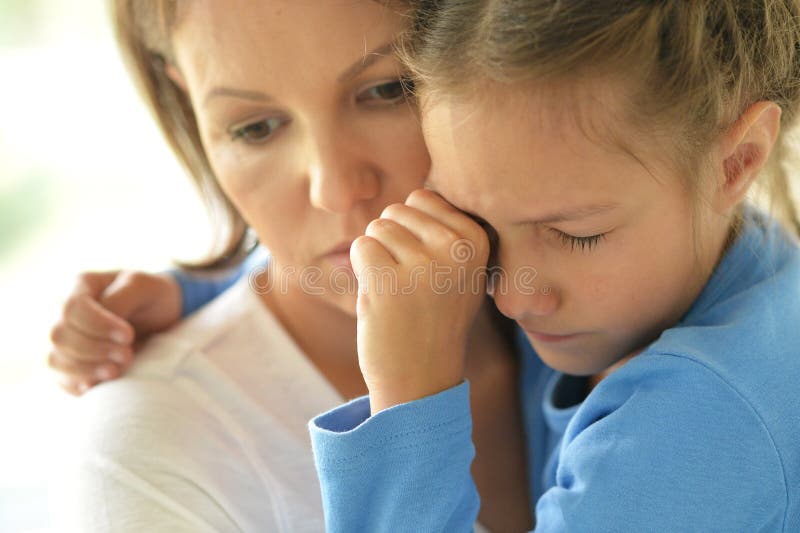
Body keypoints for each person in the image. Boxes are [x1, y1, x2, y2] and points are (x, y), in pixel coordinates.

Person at [308, 1, 800, 531]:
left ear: (736, 162)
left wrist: (407, 401)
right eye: (474, 223)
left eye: (575, 235)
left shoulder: (697, 422)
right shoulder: (740, 258)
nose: (512, 298)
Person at [52, 0, 533, 531]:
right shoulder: (150, 452)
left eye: (387, 90)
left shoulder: (598, 318)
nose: (336, 190)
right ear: (188, 103)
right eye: (256, 128)